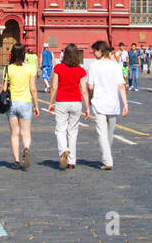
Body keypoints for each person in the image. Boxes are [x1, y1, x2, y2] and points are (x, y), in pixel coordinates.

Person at [86, 40, 128, 171]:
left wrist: (90, 98)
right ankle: (107, 156)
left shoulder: (94, 66)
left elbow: (90, 86)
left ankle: (107, 159)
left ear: (100, 51)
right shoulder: (116, 66)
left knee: (102, 133)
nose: (93, 54)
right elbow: (121, 85)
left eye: (94, 51)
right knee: (110, 133)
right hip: (114, 104)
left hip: (99, 103)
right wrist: (125, 104)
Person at [48, 44, 89, 170]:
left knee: (60, 129)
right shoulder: (81, 70)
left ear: (64, 54)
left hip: (61, 101)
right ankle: (72, 161)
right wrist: (87, 107)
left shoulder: (58, 68)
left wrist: (51, 102)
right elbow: (84, 90)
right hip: (76, 102)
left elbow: (54, 86)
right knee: (73, 131)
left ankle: (64, 150)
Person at [0, 43, 39, 170]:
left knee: (14, 134)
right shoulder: (30, 68)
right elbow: (33, 88)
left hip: (12, 103)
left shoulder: (8, 68)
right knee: (26, 133)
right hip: (26, 102)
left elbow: (4, 88)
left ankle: (16, 161)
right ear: (24, 54)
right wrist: (36, 105)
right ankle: (26, 149)